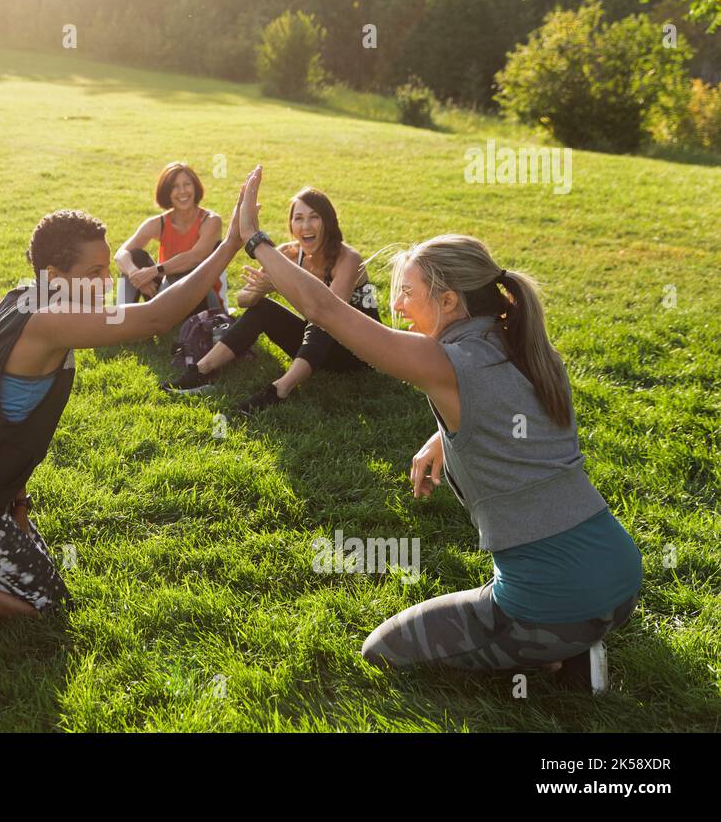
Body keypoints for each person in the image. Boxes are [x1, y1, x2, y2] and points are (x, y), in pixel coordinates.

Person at [236, 170, 642, 691]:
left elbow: (322, 310)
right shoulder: (530, 349)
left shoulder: (445, 362)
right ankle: (580, 633)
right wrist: (443, 440)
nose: (397, 304)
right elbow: (509, 415)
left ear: (449, 302)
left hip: (552, 601)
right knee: (539, 600)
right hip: (621, 574)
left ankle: (562, 655)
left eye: (407, 292)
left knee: (382, 650)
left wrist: (254, 238)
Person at [0, 172, 255, 634]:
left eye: (107, 269)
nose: (105, 283)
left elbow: (4, 419)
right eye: (93, 274)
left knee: (25, 564)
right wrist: (229, 245)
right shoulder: (50, 321)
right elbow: (156, 316)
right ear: (54, 277)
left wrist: (17, 505)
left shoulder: (20, 298)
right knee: (43, 605)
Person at [163, 187, 381, 414]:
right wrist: (260, 291)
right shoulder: (287, 253)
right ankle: (201, 371)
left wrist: (278, 286)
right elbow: (243, 299)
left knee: (321, 323)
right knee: (263, 309)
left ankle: (280, 390)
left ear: (329, 222)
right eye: (298, 218)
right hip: (319, 349)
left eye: (314, 217)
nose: (305, 226)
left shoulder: (348, 259)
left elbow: (329, 313)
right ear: (291, 226)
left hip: (358, 352)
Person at [114, 161, 224, 317]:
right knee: (134, 256)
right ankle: (122, 321)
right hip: (165, 293)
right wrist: (136, 275)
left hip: (202, 299)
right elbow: (120, 254)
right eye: (175, 187)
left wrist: (154, 270)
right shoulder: (158, 223)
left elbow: (195, 257)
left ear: (195, 187)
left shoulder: (211, 221)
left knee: (180, 270)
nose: (182, 191)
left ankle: (154, 319)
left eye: (187, 184)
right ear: (166, 191)